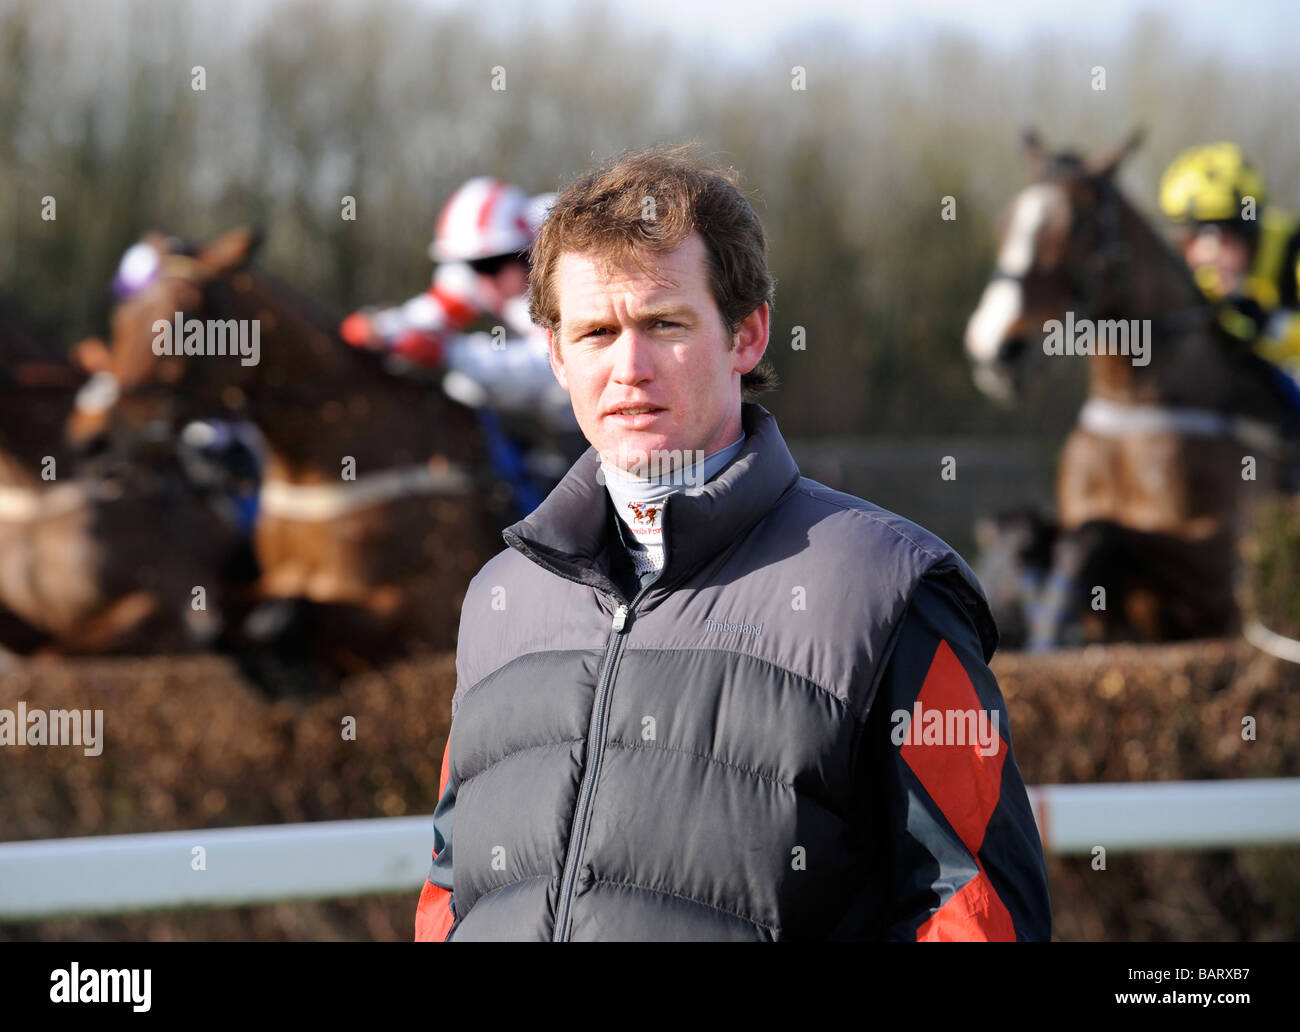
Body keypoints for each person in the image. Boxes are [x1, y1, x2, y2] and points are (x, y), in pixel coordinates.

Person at [413, 146, 1050, 942]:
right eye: (597, 332)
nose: (628, 368)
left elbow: (978, 915)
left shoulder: (890, 588)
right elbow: (449, 895)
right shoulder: (500, 597)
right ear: (554, 354)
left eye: (663, 324)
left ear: (746, 336)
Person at [340, 178, 581, 515]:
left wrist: (451, 353)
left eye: (497, 262)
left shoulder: (570, 261)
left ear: (529, 245)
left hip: (587, 408)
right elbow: (428, 315)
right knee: (463, 390)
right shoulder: (483, 268)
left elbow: (557, 363)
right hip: (543, 404)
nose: (487, 279)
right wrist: (377, 330)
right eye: (476, 267)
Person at [1159, 143, 1300, 419]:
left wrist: (1270, 324)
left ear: (1250, 232)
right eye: (1194, 238)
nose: (1208, 254)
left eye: (1223, 236)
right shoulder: (1185, 278)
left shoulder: (1290, 252)